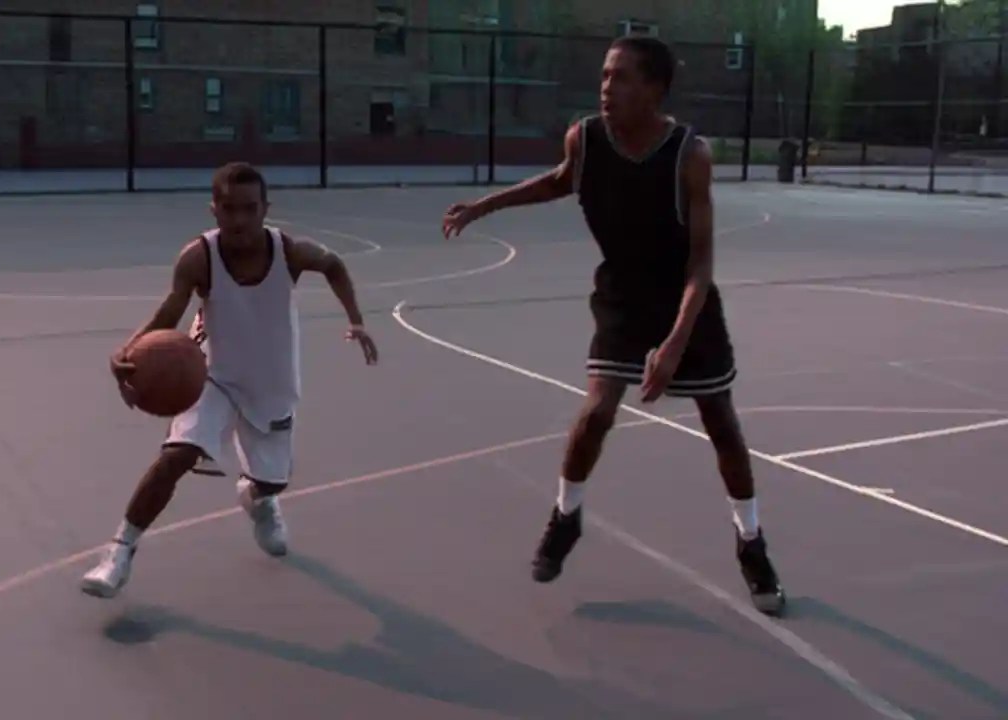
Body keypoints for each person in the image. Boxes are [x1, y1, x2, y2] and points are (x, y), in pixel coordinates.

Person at [440, 36, 785, 615]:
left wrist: (675, 343)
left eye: (622, 77)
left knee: (721, 424)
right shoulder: (587, 138)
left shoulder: (688, 154)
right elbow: (559, 179)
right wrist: (484, 206)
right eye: (604, 75)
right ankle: (566, 516)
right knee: (597, 411)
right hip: (622, 295)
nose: (607, 87)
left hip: (684, 300)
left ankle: (750, 541)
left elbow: (701, 263)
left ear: (655, 89)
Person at [81, 162, 378, 599]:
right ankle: (119, 553)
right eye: (229, 209)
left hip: (270, 380)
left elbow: (333, 265)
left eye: (248, 209)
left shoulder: (289, 251)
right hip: (211, 375)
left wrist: (357, 321)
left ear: (264, 209)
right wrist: (126, 352)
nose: (239, 219)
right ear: (214, 210)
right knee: (175, 457)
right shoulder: (199, 256)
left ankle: (258, 498)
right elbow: (171, 311)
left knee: (273, 480)